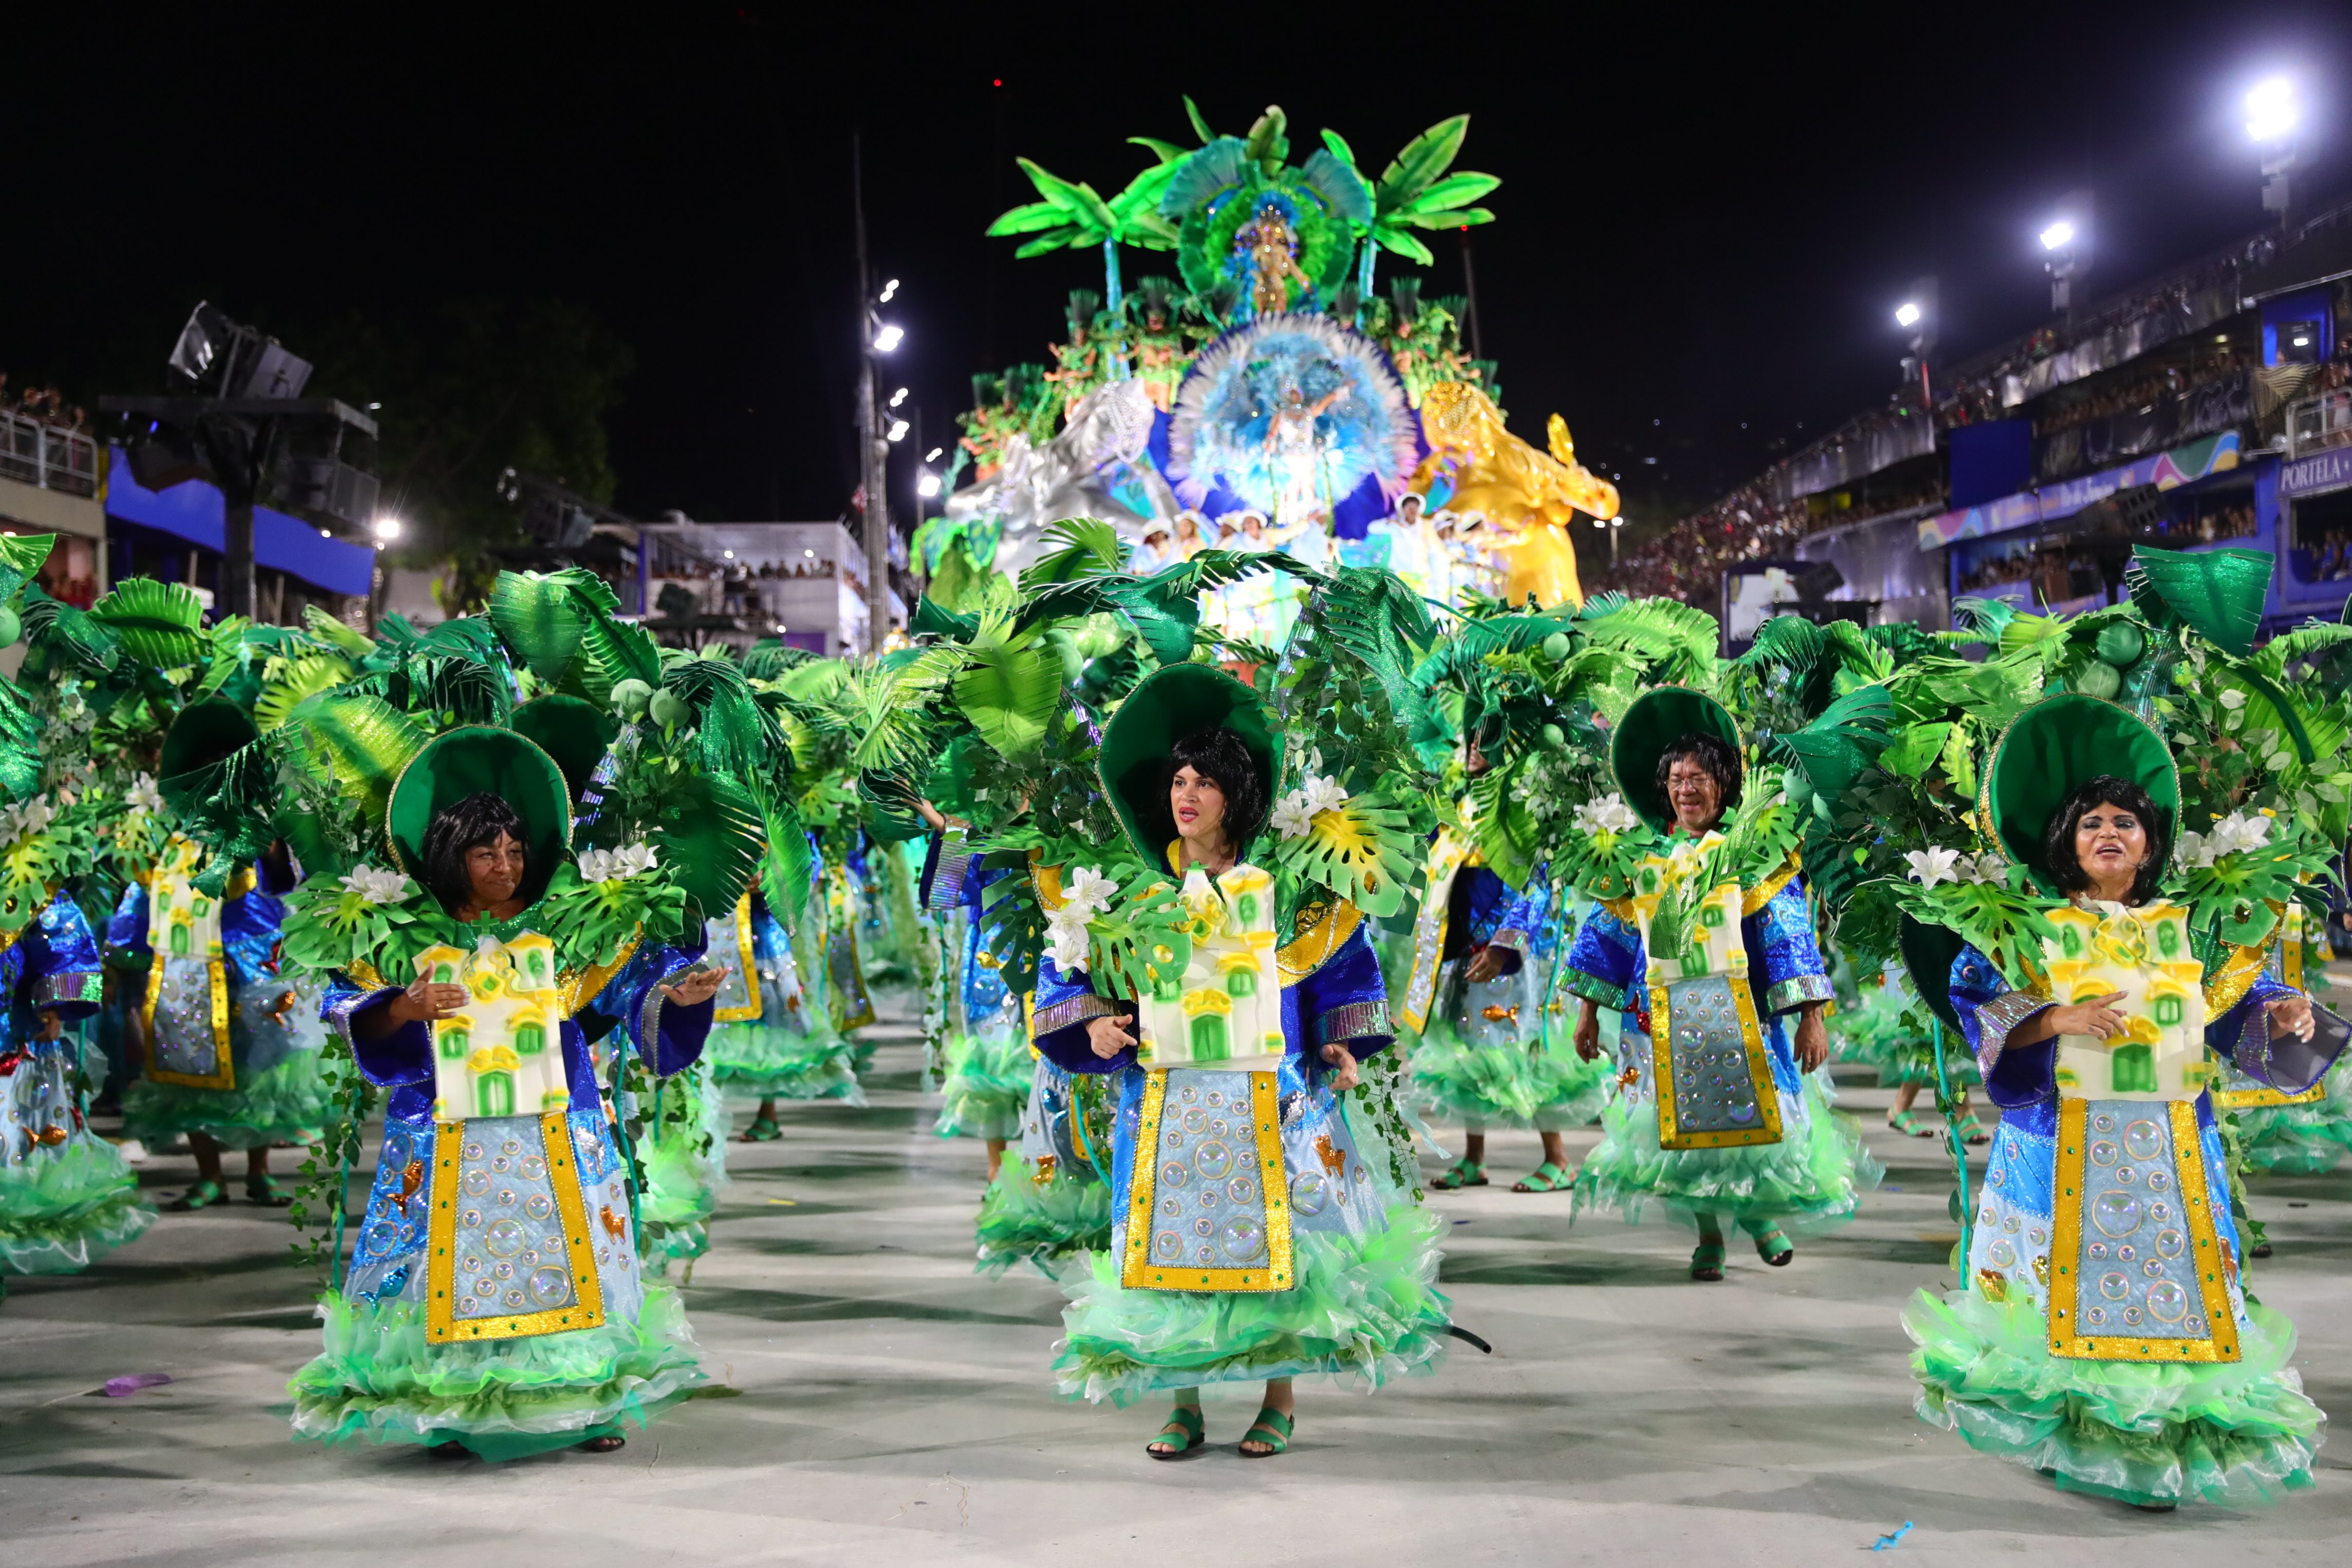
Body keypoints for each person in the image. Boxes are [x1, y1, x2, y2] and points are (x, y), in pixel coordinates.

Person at [1904, 694, 2336, 1509]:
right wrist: (2052, 1017)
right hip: (2057, 1139)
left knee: (2162, 1283)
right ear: (2065, 843)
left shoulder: (2190, 923)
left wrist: (2278, 1010)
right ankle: (2064, 1433)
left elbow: (2230, 1005)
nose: (2108, 832)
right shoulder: (2025, 926)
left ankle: (2147, 1436)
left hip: (2171, 1142)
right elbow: (1976, 995)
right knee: (2054, 1290)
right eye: (2091, 821)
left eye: (2125, 822)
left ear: (2150, 843)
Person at [1029, 666, 1448, 1459]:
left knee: (1277, 1242)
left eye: (1204, 782)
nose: (1185, 795)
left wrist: (1338, 1044)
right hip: (1163, 1099)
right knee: (1168, 1244)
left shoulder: (1290, 891)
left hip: (1274, 1094)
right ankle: (1178, 1400)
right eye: (1177, 780)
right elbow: (1067, 974)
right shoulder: (1123, 892)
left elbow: (1341, 974)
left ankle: (1277, 1397)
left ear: (1237, 795)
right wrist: (1095, 1028)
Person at [289, 730, 727, 1459]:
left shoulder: (568, 924)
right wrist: (404, 1007)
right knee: (444, 1268)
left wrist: (679, 994)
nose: (506, 865)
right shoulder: (397, 932)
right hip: (445, 1138)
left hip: (553, 1132)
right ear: (448, 856)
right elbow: (343, 1003)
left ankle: (587, 1401)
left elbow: (629, 990)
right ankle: (454, 1406)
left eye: (515, 851)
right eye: (486, 853)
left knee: (574, 1259)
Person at [1561, 688, 1876, 1279]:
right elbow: (1608, 932)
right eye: (1677, 777)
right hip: (1658, 1021)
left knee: (1751, 1122)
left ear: (1725, 783)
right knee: (1681, 1137)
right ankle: (1708, 1237)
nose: (1687, 788)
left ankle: (1759, 1218)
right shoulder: (1640, 857)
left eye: (1700, 776)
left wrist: (1812, 1015)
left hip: (1743, 1017)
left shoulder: (1753, 853)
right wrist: (1586, 1013)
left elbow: (1787, 933)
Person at [115, 702, 332, 1208]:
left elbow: (286, 883)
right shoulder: (170, 834)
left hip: (256, 963)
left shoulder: (261, 825)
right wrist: (123, 953)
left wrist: (275, 838)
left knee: (262, 1070)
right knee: (192, 1079)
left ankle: (259, 1173)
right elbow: (142, 892)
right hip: (186, 970)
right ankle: (209, 1177)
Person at [0, 889, 148, 1288]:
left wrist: (53, 1003)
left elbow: (61, 936)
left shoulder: (28, 875)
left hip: (15, 1037)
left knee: (13, 1145)